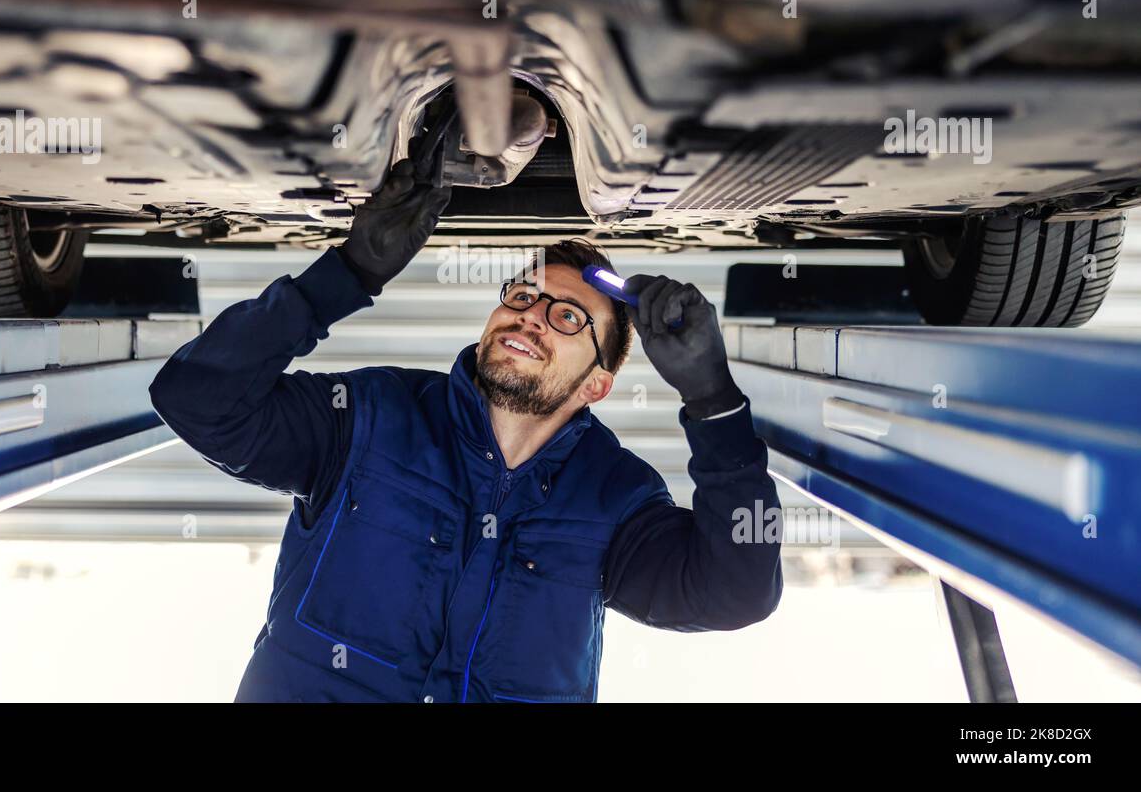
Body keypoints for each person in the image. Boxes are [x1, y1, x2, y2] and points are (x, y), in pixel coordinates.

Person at [149, 159, 783, 702]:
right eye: (521, 297)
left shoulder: (614, 500)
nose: (532, 316)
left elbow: (737, 592)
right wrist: (345, 274)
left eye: (566, 317)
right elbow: (198, 399)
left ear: (597, 384)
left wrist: (712, 399)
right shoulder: (368, 417)